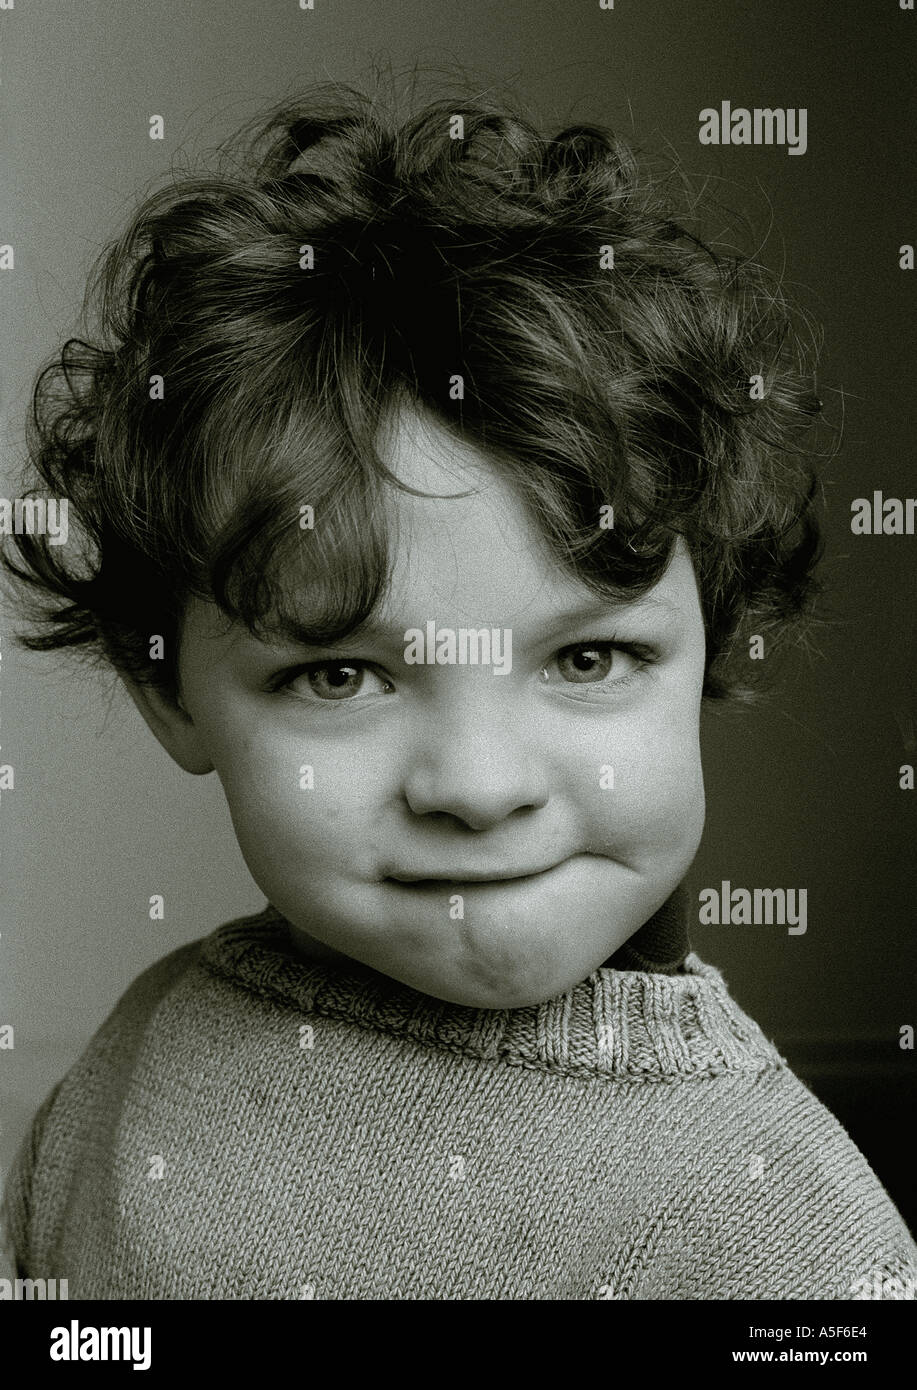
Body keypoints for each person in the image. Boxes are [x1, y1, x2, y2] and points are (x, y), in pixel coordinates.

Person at [2, 80, 914, 1299]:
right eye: (339, 673)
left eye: (586, 659)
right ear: (168, 692)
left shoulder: (774, 1233)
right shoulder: (138, 1060)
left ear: (718, 640)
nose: (478, 787)